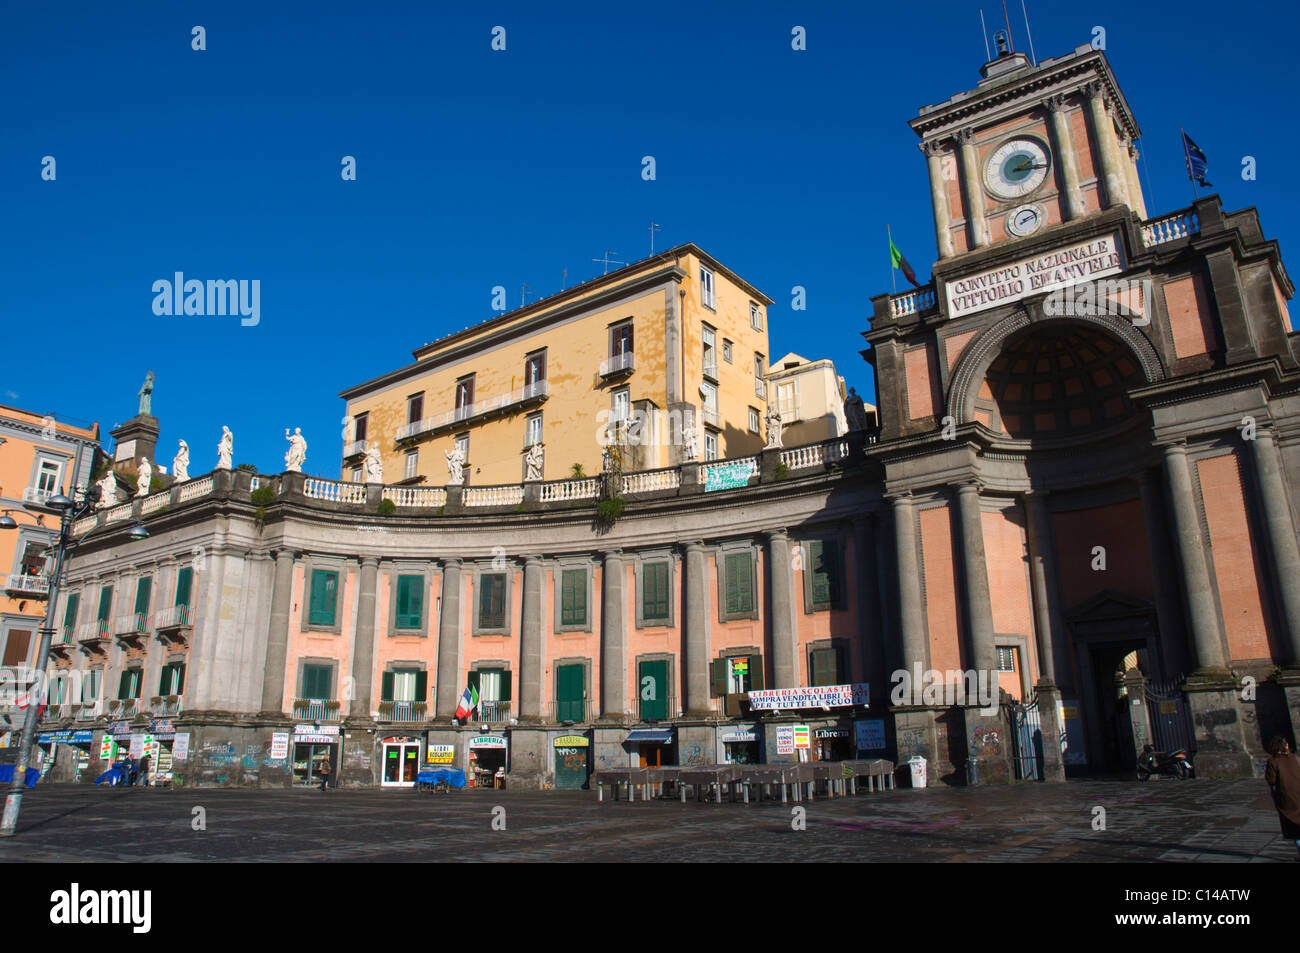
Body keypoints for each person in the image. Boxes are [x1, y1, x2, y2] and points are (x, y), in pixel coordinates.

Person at [1264, 735, 1300, 861]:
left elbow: (1271, 780)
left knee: (1294, 828)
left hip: (1287, 798)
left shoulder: (1273, 761)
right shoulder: (1295, 758)